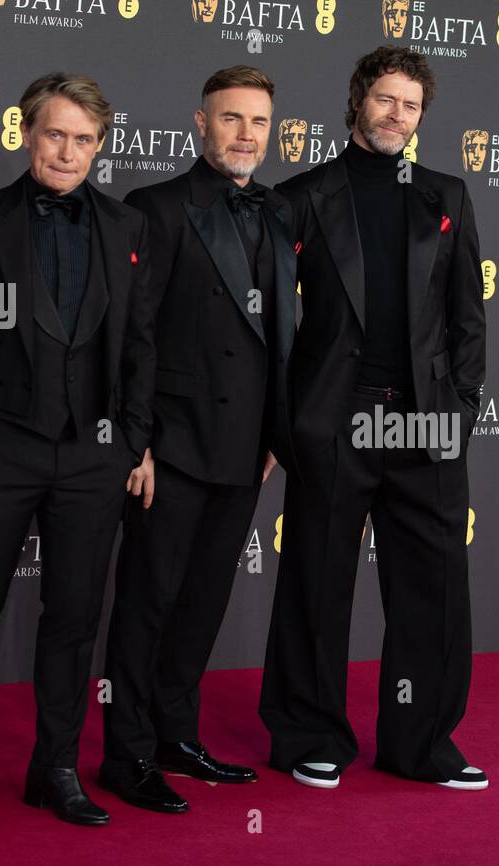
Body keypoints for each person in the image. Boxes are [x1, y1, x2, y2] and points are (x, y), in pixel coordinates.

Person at [0, 72, 154, 828]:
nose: (68, 150)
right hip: (1, 450)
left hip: (93, 458)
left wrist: (132, 443)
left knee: (74, 618)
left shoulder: (127, 228)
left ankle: (54, 766)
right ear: (26, 133)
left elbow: (141, 348)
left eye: (84, 139)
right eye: (55, 134)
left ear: (99, 146)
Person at [260, 46, 488, 790]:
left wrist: (460, 409)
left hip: (425, 423)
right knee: (316, 578)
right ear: (358, 100)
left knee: (434, 584)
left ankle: (422, 742)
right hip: (335, 416)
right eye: (385, 99)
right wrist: (287, 419)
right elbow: (268, 324)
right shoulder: (300, 196)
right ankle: (309, 733)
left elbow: (467, 321)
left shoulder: (446, 197)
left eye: (411, 105)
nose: (397, 115)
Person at [99, 66, 296, 812]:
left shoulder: (278, 210)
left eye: (259, 122)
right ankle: (127, 752)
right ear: (200, 123)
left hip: (246, 444)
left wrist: (278, 427)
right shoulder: (156, 208)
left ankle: (176, 733)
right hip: (171, 442)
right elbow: (131, 335)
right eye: (231, 119)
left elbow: (283, 333)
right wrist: (136, 442)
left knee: (204, 598)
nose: (246, 134)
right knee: (148, 600)